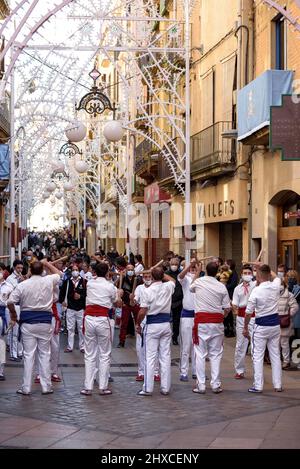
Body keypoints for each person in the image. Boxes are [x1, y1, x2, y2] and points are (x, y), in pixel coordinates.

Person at [7, 260, 62, 395]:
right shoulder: (48, 280)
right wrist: (47, 264)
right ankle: (46, 386)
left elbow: (9, 301)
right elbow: (59, 273)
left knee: (28, 355)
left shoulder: (23, 285)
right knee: (44, 354)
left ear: (30, 270)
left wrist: (14, 316)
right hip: (45, 322)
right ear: (41, 270)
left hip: (28, 323)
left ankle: (26, 387)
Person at [80, 262, 122, 396]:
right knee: (104, 354)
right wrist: (119, 294)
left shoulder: (91, 283)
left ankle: (88, 387)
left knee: (89, 354)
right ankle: (103, 387)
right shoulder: (110, 287)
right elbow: (116, 302)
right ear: (107, 272)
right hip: (103, 319)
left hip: (89, 319)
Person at [190, 262, 231, 394]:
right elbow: (227, 307)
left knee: (200, 354)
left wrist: (197, 272)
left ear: (206, 271)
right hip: (216, 323)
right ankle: (215, 384)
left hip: (201, 322)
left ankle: (201, 385)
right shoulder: (221, 286)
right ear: (217, 271)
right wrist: (221, 316)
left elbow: (191, 287)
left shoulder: (199, 282)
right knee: (216, 354)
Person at [136, 267, 175, 396]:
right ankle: (165, 387)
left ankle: (148, 388)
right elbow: (172, 280)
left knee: (150, 357)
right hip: (165, 324)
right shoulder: (168, 286)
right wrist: (162, 275)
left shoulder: (148, 291)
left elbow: (142, 311)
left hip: (152, 324)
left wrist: (137, 323)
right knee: (165, 356)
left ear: (151, 277)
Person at [244, 264, 282, 393]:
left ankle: (258, 385)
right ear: (268, 274)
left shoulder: (256, 290)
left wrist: (245, 327)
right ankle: (278, 384)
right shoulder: (276, 286)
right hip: (275, 325)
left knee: (258, 356)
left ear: (259, 276)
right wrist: (265, 268)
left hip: (261, 326)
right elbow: (276, 277)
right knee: (275, 355)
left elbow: (248, 312)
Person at [133, 271, 160, 382]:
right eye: (145, 276)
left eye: (149, 276)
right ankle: (141, 371)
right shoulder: (139, 288)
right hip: (142, 319)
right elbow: (134, 302)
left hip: (155, 318)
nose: (147, 278)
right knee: (140, 347)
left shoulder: (158, 287)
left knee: (155, 347)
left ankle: (156, 372)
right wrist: (132, 299)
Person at [232, 264, 256, 379]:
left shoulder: (256, 285)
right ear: (241, 274)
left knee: (256, 345)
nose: (247, 275)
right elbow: (235, 304)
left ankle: (257, 371)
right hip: (241, 317)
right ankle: (239, 370)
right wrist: (234, 309)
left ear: (252, 274)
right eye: (245, 273)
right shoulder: (237, 288)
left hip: (255, 317)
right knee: (240, 345)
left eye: (249, 273)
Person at [177, 259, 198, 382]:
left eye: (194, 269)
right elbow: (180, 275)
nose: (192, 271)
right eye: (191, 269)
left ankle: (196, 371)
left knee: (198, 346)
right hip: (186, 316)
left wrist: (198, 269)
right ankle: (184, 371)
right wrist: (190, 265)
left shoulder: (200, 280)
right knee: (186, 345)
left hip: (198, 316)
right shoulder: (185, 280)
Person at [59, 264, 87, 353]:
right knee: (70, 328)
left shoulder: (84, 282)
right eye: (73, 269)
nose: (75, 271)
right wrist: (62, 301)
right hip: (70, 308)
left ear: (79, 271)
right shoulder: (67, 282)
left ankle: (82, 346)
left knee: (81, 328)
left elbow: (87, 295)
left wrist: (80, 296)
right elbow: (62, 294)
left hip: (80, 308)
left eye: (76, 269)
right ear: (71, 271)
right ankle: (70, 346)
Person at [118, 264, 142, 348]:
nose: (130, 271)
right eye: (129, 269)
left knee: (139, 322)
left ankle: (141, 339)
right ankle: (121, 341)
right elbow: (119, 290)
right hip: (126, 304)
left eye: (132, 269)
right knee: (124, 323)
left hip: (135, 303)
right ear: (126, 270)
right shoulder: (122, 279)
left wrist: (136, 298)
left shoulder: (138, 280)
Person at [6, 260, 25, 362]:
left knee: (20, 331)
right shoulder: (10, 279)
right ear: (14, 268)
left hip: (21, 306)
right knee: (13, 331)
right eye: (18, 268)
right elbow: (12, 293)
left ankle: (20, 352)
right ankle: (13, 354)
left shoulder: (22, 277)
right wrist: (20, 283)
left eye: (21, 268)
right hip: (12, 306)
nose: (20, 270)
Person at [278, 279, 298, 369]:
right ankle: (277, 361)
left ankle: (286, 362)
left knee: (284, 343)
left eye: (281, 284)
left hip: (284, 322)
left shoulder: (289, 295)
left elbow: (295, 306)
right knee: (275, 344)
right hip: (274, 322)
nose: (279, 286)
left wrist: (289, 315)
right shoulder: (272, 295)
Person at [0, 265, 13, 381]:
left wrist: (13, 317)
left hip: (3, 315)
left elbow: (12, 302)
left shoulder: (9, 287)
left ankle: (1, 371)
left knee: (1, 344)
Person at [166, 258, 183, 345]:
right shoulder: (166, 274)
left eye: (176, 264)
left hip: (178, 301)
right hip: (168, 300)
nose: (174, 266)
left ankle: (175, 336)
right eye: (172, 264)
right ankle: (166, 336)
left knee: (176, 320)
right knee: (166, 320)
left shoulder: (180, 274)